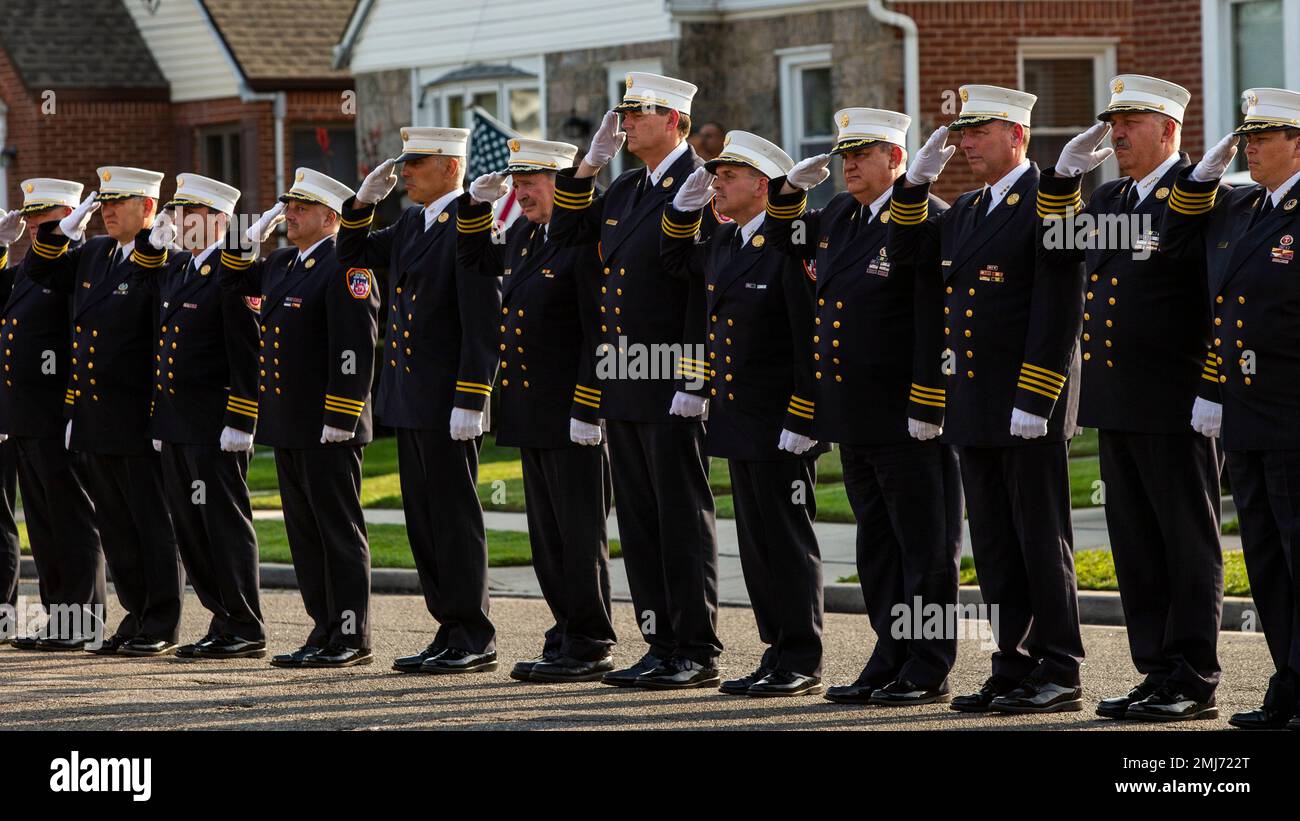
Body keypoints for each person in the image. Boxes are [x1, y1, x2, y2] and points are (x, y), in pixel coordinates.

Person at [888, 86, 1087, 714]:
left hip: (1026, 404)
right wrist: (914, 187)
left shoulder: (1047, 203)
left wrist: (1038, 395)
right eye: (961, 134)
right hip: (973, 404)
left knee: (1040, 540)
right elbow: (906, 256)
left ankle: (1059, 666)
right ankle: (1013, 662)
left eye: (979, 133)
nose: (965, 144)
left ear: (1018, 137)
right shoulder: (966, 210)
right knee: (997, 545)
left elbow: (1060, 301)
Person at [1038, 75, 1226, 721]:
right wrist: (1062, 181)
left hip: (1175, 404)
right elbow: (1054, 250)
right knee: (1137, 545)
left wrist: (1213, 386)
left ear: (1168, 130)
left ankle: (1193, 676)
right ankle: (1155, 670)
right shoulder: (1112, 197)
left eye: (1131, 122)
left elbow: (1215, 300)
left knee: (1186, 542)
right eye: (1113, 122)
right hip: (1116, 401)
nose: (1116, 134)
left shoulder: (1199, 196)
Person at [765, 108, 963, 705]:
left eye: (862, 154)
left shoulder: (925, 218)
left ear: (896, 159)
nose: (848, 164)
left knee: (924, 546)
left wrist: (930, 397)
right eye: (844, 155)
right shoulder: (840, 216)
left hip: (905, 413)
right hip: (852, 411)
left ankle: (928, 663)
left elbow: (934, 316)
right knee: (877, 546)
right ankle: (889, 652)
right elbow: (783, 240)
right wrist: (786, 194)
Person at [549, 72, 724, 689]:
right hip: (624, 381)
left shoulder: (702, 184)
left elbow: (707, 290)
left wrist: (696, 379)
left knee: (680, 517)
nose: (625, 125)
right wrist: (585, 168)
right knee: (641, 523)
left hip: (673, 381)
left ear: (675, 120)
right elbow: (565, 235)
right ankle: (660, 640)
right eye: (621, 115)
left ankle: (696, 647)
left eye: (639, 115)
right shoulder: (623, 188)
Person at [660, 131, 827, 697]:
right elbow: (674, 260)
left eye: (727, 176)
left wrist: (804, 417)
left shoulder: (788, 246)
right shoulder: (725, 243)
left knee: (786, 538)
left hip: (781, 419)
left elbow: (810, 339)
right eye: (715, 175)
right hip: (736, 417)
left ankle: (801, 655)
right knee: (756, 544)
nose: (715, 184)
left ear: (762, 186)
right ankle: (774, 649)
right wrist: (681, 210)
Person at [339, 128, 503, 675]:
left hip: (448, 400)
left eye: (417, 163)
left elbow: (483, 320)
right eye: (404, 164)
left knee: (454, 518)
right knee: (423, 521)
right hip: (409, 398)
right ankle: (448, 626)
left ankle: (473, 635)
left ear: (451, 168)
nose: (405, 172)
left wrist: (473, 397)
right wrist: (363, 202)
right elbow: (353, 252)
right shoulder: (412, 222)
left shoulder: (470, 222)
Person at [1160, 87, 1300, 730]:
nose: (1249, 148)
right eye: (1245, 137)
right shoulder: (1244, 207)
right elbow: (1175, 237)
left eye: (1262, 138)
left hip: (1293, 412)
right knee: (1268, 559)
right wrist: (1200, 177)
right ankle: (1290, 681)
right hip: (1247, 413)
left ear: (1298, 142)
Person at [458, 137, 618, 682]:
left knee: (579, 534)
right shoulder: (527, 235)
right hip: (531, 410)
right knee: (547, 537)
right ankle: (565, 630)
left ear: (560, 183)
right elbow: (475, 260)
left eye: (530, 183)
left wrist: (589, 406)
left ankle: (591, 639)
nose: (521, 193)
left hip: (573, 412)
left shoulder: (584, 237)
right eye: (517, 183)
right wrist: (476, 207)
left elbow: (602, 327)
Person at [217, 168, 379, 669]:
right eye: (288, 206)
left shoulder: (347, 264)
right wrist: (247, 238)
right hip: (288, 422)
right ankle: (322, 628)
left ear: (331, 218)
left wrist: (343, 413)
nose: (289, 214)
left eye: (300, 208)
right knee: (305, 536)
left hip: (328, 425)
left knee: (338, 532)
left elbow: (357, 344)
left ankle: (351, 636)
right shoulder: (284, 262)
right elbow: (233, 280)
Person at [25, 166, 184, 657]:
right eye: (104, 203)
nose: (108, 211)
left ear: (149, 209)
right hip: (94, 415)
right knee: (115, 526)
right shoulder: (94, 252)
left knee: (150, 523)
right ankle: (134, 617)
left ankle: (160, 622)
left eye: (121, 202)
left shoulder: (163, 259)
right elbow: (41, 272)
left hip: (138, 416)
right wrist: (60, 233)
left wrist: (151, 255)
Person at [128, 173, 266, 660]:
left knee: (222, 525)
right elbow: (138, 281)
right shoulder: (180, 269)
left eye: (186, 214)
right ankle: (222, 618)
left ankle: (245, 624)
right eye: (174, 212)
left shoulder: (234, 271)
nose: (175, 221)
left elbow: (248, 352)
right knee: (190, 527)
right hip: (176, 423)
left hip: (214, 425)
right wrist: (150, 239)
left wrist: (242, 419)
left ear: (217, 219)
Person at [0, 179, 105, 649]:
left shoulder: (78, 266)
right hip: (25, 416)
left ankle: (82, 619)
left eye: (43, 223)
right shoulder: (28, 268)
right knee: (42, 523)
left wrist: (72, 410)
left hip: (58, 414)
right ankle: (57, 613)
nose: (34, 232)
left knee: (71, 519)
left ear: (67, 219)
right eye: (31, 224)